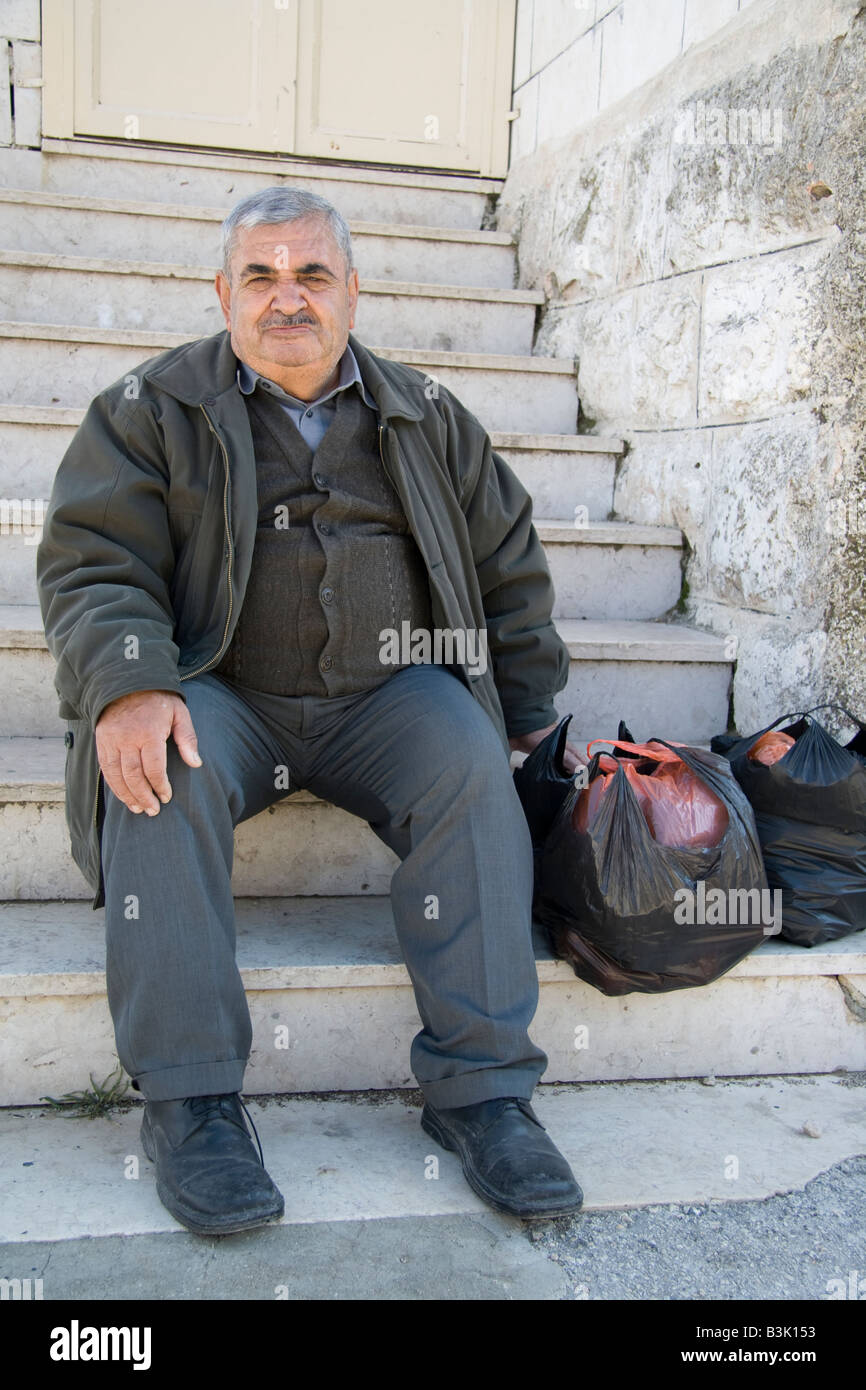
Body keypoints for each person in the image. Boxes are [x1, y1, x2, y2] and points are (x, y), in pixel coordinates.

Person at [36, 186, 587, 1236]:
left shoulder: (424, 411)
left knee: (469, 761)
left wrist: (523, 711)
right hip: (222, 689)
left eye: (311, 274)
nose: (286, 296)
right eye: (261, 276)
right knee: (162, 766)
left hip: (388, 693)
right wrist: (130, 680)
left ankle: (484, 1097)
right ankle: (192, 1104)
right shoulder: (148, 409)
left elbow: (506, 558)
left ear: (352, 291)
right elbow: (92, 561)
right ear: (223, 293)